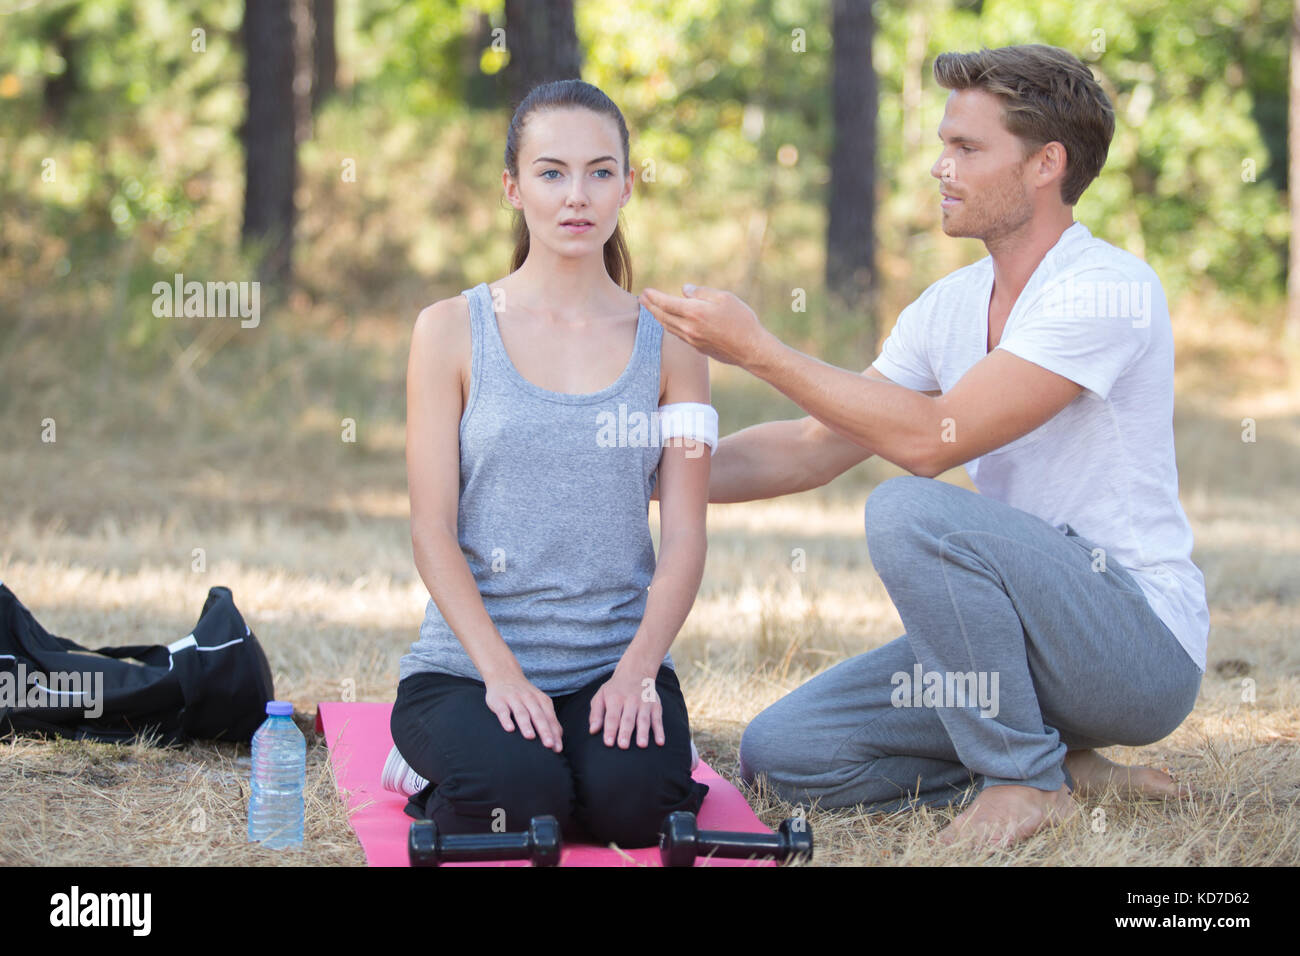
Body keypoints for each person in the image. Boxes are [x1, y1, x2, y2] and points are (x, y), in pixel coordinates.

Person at [639, 44, 1209, 849]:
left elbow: (929, 442)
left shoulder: (1106, 289)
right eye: (944, 144)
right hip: (1023, 645)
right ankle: (1056, 762)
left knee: (911, 510)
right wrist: (640, 474)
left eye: (967, 148)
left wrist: (758, 349)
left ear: (1048, 163)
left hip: (1135, 646)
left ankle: (1021, 777)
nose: (941, 167)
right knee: (789, 752)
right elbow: (809, 447)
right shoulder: (948, 308)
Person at [384, 79, 717, 849]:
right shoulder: (447, 331)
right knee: (521, 809)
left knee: (637, 815)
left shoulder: (674, 343)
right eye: (551, 172)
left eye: (602, 172)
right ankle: (426, 760)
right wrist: (501, 675)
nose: (578, 196)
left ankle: (616, 750)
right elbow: (431, 529)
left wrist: (638, 671)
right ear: (513, 188)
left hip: (612, 664)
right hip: (469, 670)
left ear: (628, 187)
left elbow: (686, 538)